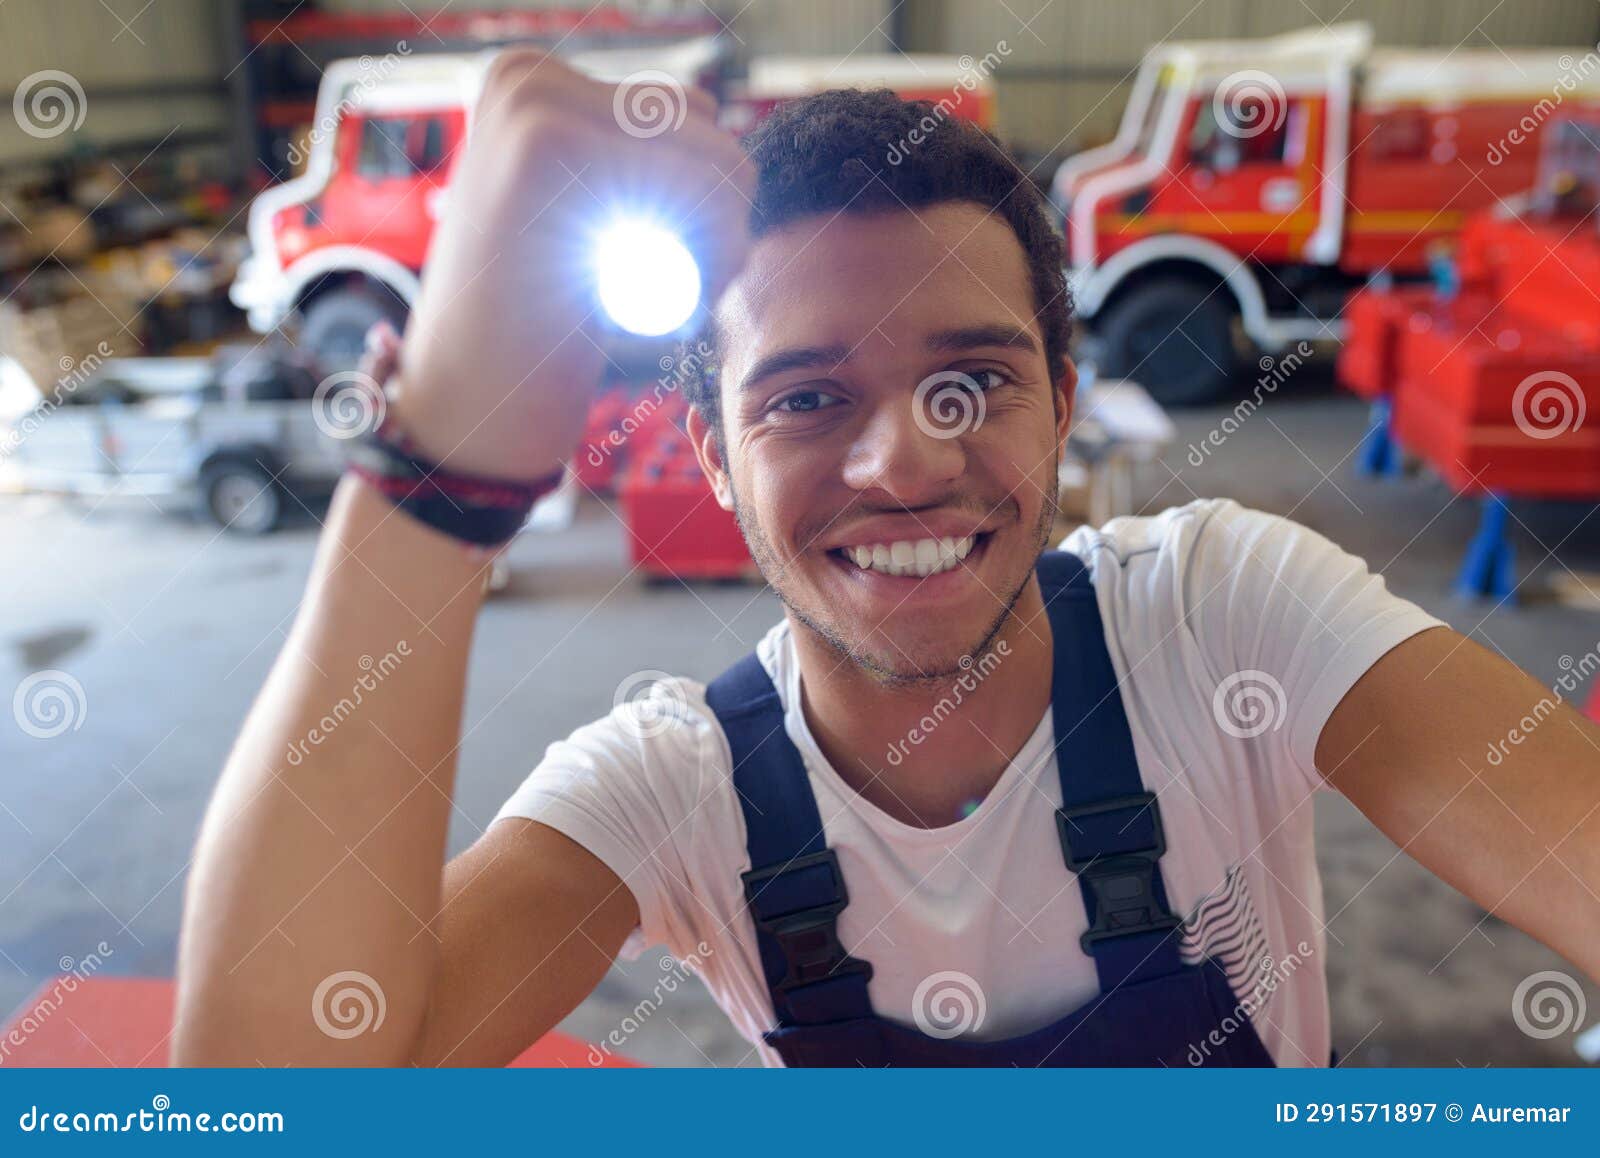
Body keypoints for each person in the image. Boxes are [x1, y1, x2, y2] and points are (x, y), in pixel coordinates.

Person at [174, 53, 1600, 1067]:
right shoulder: (677, 789)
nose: (905, 461)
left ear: (1063, 403)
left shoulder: (1223, 620)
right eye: (804, 397)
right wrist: (435, 482)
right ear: (715, 455)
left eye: (974, 379)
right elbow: (281, 1099)